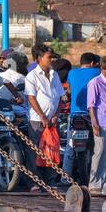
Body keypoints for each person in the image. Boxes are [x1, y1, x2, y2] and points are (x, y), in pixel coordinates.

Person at [23, 46, 64, 191]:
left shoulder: (55, 74)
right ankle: (34, 182)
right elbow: (31, 98)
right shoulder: (32, 76)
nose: (51, 60)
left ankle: (51, 180)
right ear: (39, 59)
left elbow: (59, 96)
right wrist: (42, 116)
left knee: (52, 150)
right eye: (48, 57)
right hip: (37, 120)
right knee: (36, 150)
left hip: (52, 120)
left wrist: (56, 115)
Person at [85, 55, 106, 195]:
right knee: (99, 153)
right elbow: (91, 106)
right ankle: (94, 183)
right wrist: (95, 124)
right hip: (101, 122)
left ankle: (105, 183)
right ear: (102, 69)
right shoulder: (95, 83)